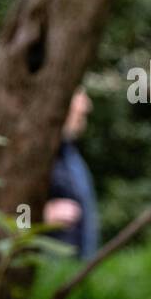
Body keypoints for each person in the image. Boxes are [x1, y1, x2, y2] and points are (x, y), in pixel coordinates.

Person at [44, 87, 100, 259]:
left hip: (76, 270)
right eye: (79, 94)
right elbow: (12, 210)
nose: (86, 106)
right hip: (44, 273)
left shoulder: (70, 154)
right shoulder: (31, 155)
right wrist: (41, 217)